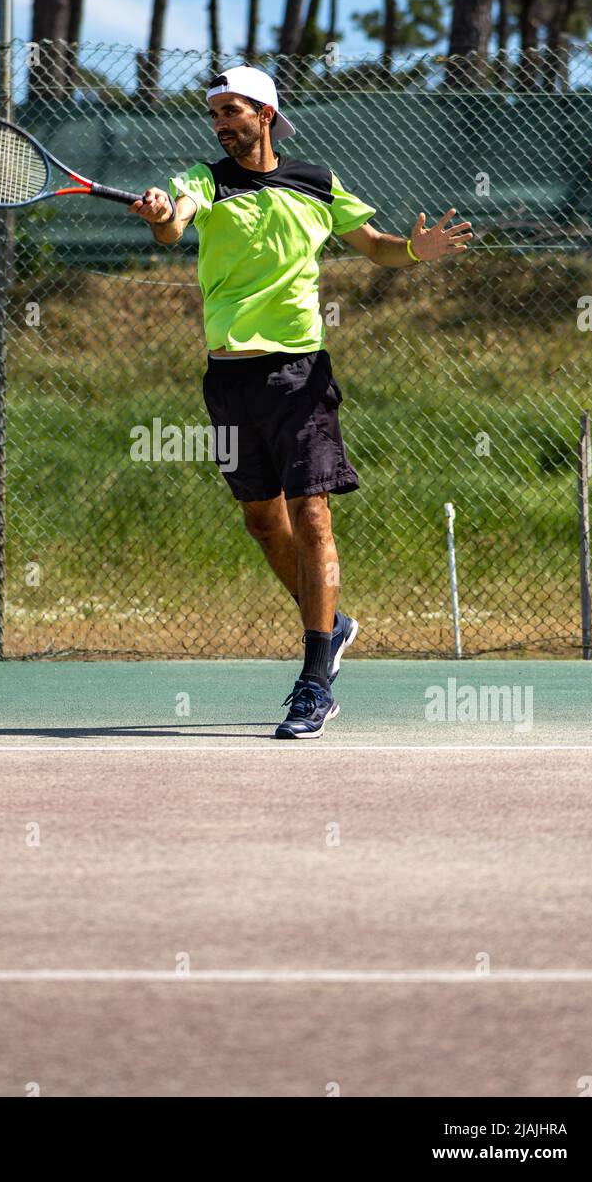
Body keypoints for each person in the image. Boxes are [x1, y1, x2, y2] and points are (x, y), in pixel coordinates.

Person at [130, 65, 472, 739]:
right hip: (226, 379)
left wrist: (415, 249)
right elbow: (174, 226)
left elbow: (374, 247)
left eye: (234, 111)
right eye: (216, 115)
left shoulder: (315, 181)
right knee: (262, 523)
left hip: (298, 373)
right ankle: (332, 622)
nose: (224, 124)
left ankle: (315, 683)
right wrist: (162, 215)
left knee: (309, 513)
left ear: (265, 112)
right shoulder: (204, 181)